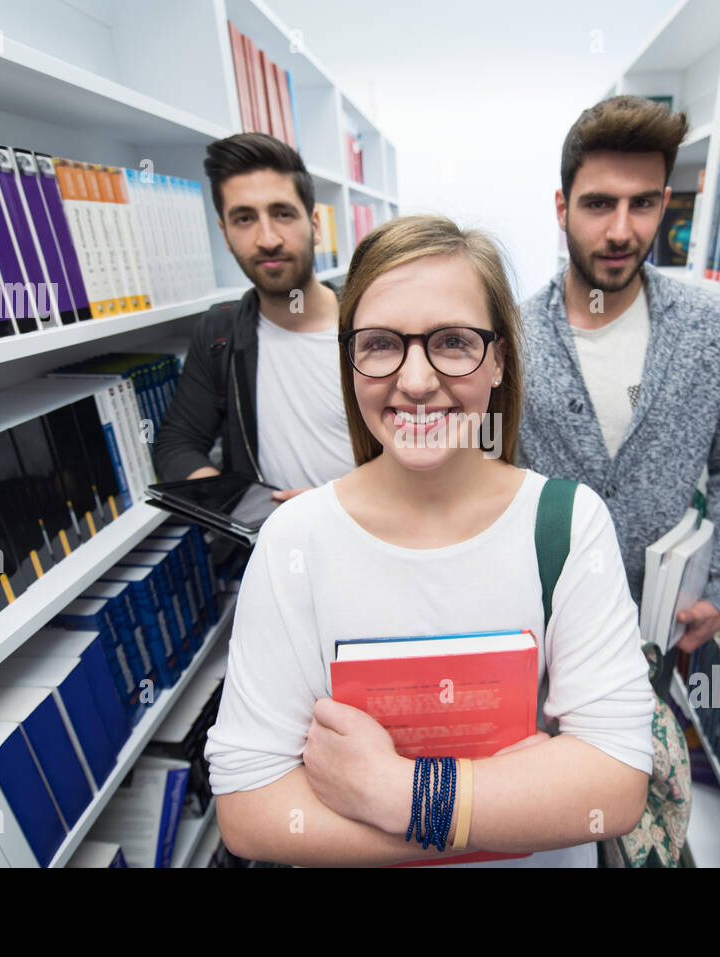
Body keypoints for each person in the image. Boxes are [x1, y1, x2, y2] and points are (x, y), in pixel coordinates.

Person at [204, 215, 654, 867]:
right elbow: (250, 811)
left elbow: (611, 786)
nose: (416, 382)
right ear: (350, 360)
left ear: (498, 359)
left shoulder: (566, 524)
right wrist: (511, 806)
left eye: (452, 341)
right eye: (382, 344)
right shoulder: (295, 541)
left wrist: (396, 792)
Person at [519, 95, 720, 666]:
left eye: (643, 204)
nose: (621, 230)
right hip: (537, 625)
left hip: (658, 627)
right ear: (562, 207)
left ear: (666, 204)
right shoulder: (511, 336)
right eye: (599, 204)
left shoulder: (715, 331)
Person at [153, 133, 353, 500]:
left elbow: (431, 445)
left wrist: (338, 504)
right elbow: (176, 444)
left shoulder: (376, 327)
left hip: (372, 540)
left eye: (282, 214)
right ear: (225, 234)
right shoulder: (220, 331)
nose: (268, 239)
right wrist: (240, 506)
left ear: (315, 225)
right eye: (244, 219)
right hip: (267, 545)